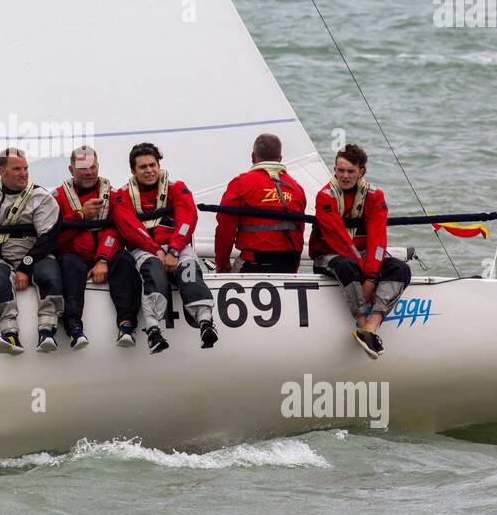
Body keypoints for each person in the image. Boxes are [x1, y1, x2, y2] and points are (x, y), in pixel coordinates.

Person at [111, 142, 218, 354]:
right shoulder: (122, 196)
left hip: (177, 247)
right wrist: (157, 251)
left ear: (159, 165)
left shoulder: (177, 187)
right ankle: (153, 330)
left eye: (152, 165)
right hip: (145, 250)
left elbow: (187, 218)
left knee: (189, 271)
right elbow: (130, 228)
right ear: (133, 171)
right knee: (153, 272)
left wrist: (175, 250)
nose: (149, 170)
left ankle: (205, 323)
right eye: (143, 167)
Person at [308, 143, 412, 358]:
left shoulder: (374, 196)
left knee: (400, 269)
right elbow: (340, 241)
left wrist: (371, 277)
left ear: (361, 172)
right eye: (340, 170)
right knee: (347, 265)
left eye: (350, 171)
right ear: (335, 169)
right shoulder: (325, 196)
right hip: (330, 254)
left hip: (363, 257)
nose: (344, 176)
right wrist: (367, 276)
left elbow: (377, 239)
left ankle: (371, 327)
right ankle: (362, 320)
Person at [0, 148, 63, 355]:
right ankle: (9, 334)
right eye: (17, 169)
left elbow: (48, 238)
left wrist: (25, 268)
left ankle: (47, 330)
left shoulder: (40, 197)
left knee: (49, 274)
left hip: (36, 256)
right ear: (2, 171)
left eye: (26, 168)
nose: (24, 173)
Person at [52, 146, 141, 349]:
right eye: (83, 168)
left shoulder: (115, 195)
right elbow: (52, 238)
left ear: (98, 166)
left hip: (105, 255)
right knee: (69, 265)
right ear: (71, 169)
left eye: (93, 167)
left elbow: (118, 231)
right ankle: (73, 327)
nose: (89, 172)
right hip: (73, 257)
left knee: (125, 261)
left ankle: (126, 324)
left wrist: (102, 259)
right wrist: (80, 216)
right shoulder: (56, 198)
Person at [214, 133, 307, 273]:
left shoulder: (241, 184)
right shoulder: (297, 189)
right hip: (289, 263)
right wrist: (294, 268)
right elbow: (300, 230)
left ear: (253, 156)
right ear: (280, 159)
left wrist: (222, 263)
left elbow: (225, 228)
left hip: (254, 262)